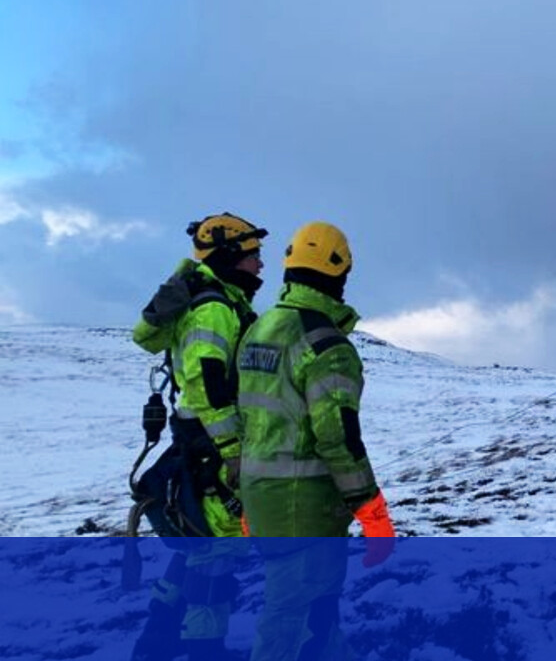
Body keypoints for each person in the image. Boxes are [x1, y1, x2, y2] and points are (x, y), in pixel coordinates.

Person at [236, 221, 394, 660]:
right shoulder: (326, 345)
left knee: (316, 618)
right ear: (341, 273)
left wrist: (245, 497)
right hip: (305, 508)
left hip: (262, 499)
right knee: (289, 621)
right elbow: (338, 439)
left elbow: (246, 422)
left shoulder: (260, 330)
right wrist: (371, 509)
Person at [131, 212, 267, 661]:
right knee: (216, 555)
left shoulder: (218, 301)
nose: (260, 266)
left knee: (197, 545)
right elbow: (208, 388)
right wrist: (234, 453)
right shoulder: (214, 308)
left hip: (198, 442)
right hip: (211, 446)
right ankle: (205, 648)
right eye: (252, 256)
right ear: (230, 256)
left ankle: (154, 644)